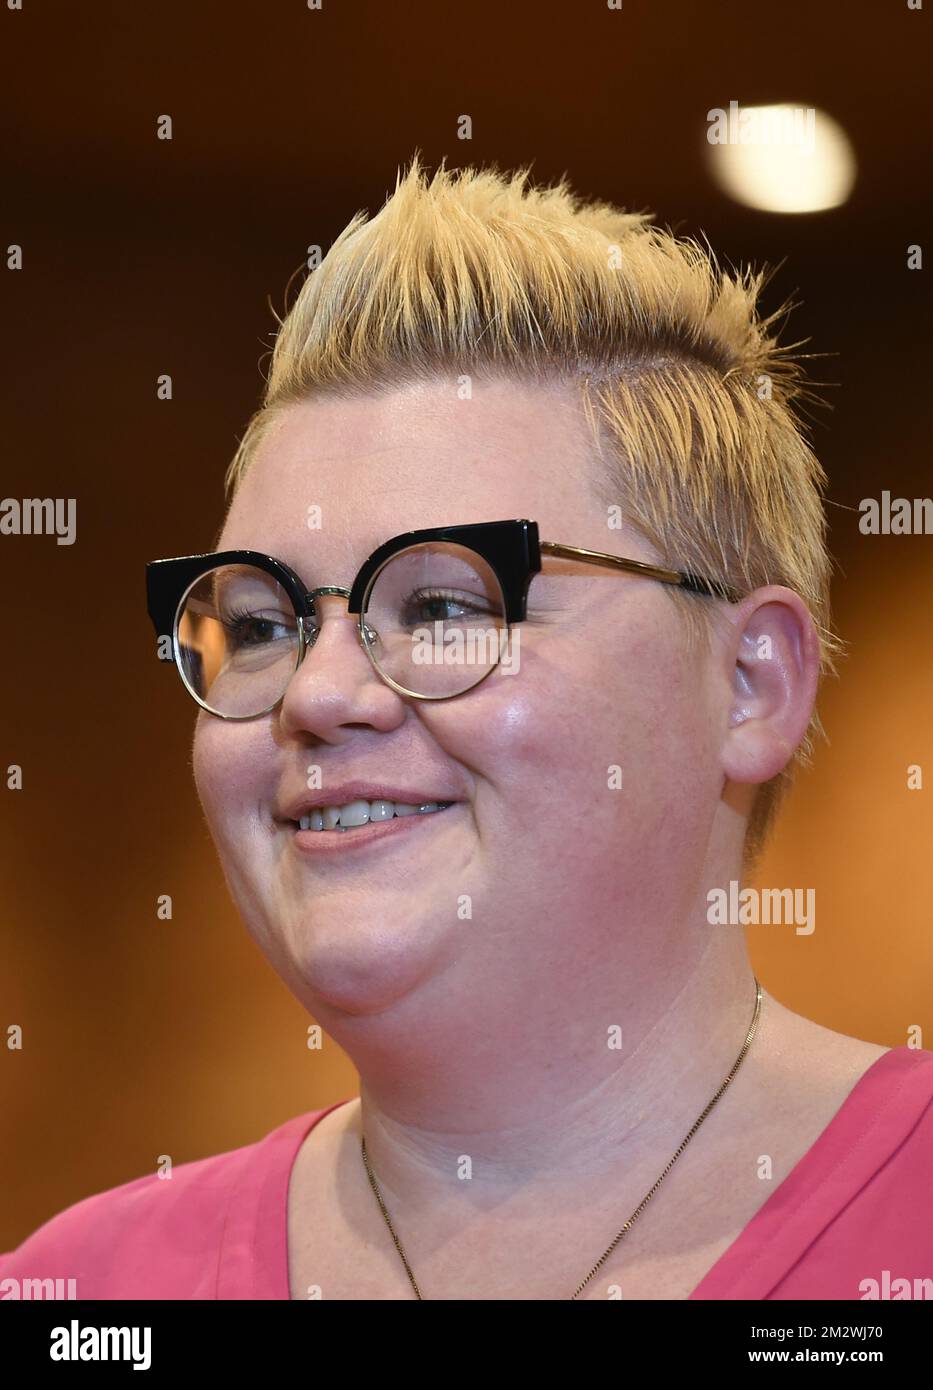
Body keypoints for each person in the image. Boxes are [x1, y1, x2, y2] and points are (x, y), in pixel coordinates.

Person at [3, 155, 931, 1302]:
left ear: (749, 683)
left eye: (442, 606)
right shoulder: (81, 1295)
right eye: (261, 620)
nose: (316, 694)